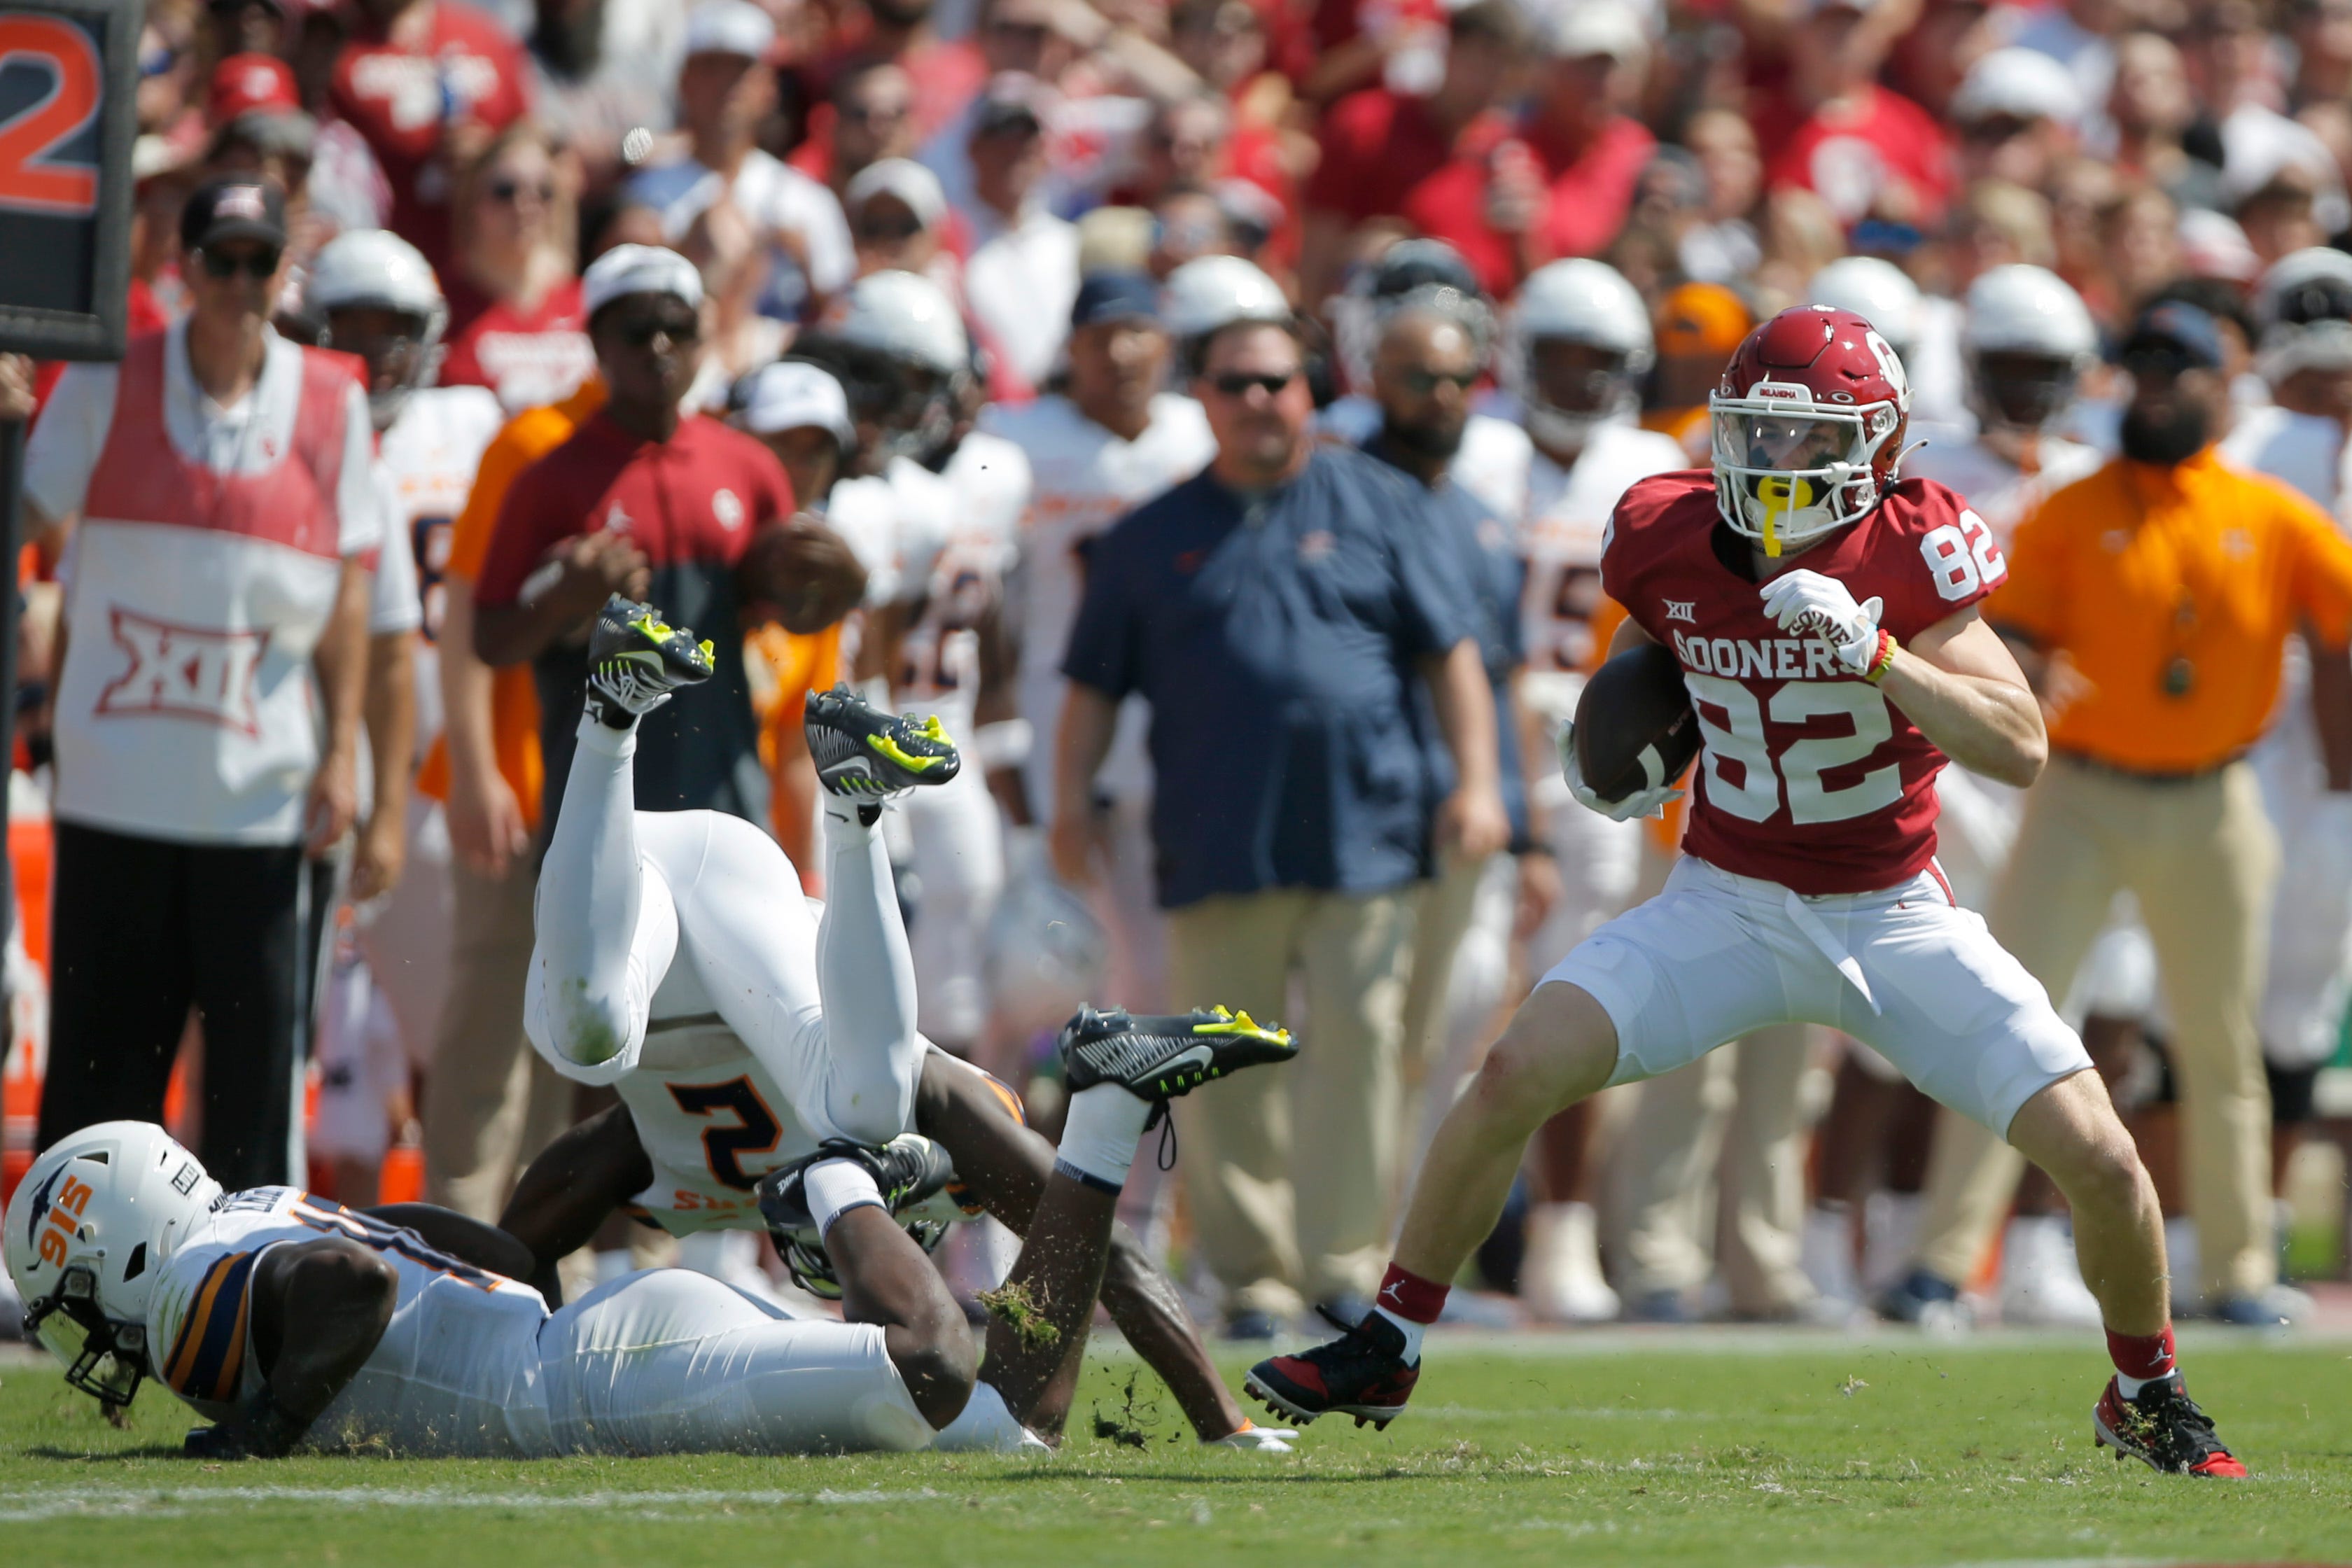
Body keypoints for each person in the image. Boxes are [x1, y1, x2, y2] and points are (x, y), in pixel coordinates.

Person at [1252, 305, 2251, 1480]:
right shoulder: (1664, 529)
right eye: (1759, 432)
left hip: (1890, 914)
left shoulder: (1913, 545)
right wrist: (1618, 754)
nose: (1777, 459)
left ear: (1879, 449)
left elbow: (2020, 745)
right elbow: (1645, 661)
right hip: (1723, 898)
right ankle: (1390, 1342)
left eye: (1810, 436)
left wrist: (1880, 656)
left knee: (2103, 1159)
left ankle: (2146, 1392)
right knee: (1512, 1073)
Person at [493, 642, 1280, 1450]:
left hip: (611, 889)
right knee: (858, 1106)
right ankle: (839, 800)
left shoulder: (637, 1148)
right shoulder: (925, 1097)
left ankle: (616, 717)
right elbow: (1101, 1245)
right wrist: (1223, 1420)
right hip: (707, 886)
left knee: (589, 1033)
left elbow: (511, 1270)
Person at [6, 973, 1296, 1457]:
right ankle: (1109, 1113)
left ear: (116, 1248)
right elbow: (472, 1252)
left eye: (74, 1302)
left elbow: (355, 1283)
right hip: (596, 1353)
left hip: (600, 1383)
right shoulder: (256, 1211)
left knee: (942, 1372)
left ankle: (827, 1182)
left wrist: (264, 1430)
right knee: (1015, 1423)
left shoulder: (194, 1290)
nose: (88, 1340)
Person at [1054, 295, 1510, 1336]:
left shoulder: (1383, 504)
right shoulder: (1147, 535)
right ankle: (1251, 1277)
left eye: (1279, 380)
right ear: (1203, 399)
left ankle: (1342, 1267)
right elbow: (1090, 691)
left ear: (1311, 392)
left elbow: (1453, 655)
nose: (1260, 399)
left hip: (1369, 828)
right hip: (1216, 834)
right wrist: (1068, 800)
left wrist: (1478, 783)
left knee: (1361, 1049)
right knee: (1226, 1062)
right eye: (1236, 382)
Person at [1891, 299, 2352, 1331]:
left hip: (2214, 796)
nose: (2153, 390)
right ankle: (1945, 1263)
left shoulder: (2270, 513)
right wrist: (2031, 663)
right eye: (2140, 371)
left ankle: (2239, 1270)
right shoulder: (2069, 507)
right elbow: (2002, 630)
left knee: (2220, 1043)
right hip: (2081, 793)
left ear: (2222, 388)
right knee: (2003, 1016)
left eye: (2175, 372)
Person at [26, 180, 382, 1191]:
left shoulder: (333, 401)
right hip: (113, 796)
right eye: (220, 259)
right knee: (97, 1081)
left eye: (258, 261)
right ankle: (67, 1259)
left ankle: (241, 1267)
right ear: (183, 268)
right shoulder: (106, 381)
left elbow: (351, 595)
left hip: (257, 810)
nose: (238, 282)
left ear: (282, 273)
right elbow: (24, 516)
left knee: (252, 1096)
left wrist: (344, 751)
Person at [1498, 258, 1686, 1323]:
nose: (1576, 378)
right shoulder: (1480, 451)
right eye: (1558, 354)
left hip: (1602, 755)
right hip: (1487, 748)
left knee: (1584, 993)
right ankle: (1424, 1231)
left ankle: (1562, 1234)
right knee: (1463, 1001)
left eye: (1596, 359)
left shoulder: (1647, 463)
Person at [305, 229, 508, 1201]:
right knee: (302, 1039)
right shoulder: (295, 413)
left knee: (447, 1040)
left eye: (394, 328)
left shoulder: (471, 424)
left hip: (439, 777)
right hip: (319, 758)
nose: (377, 351)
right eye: (352, 326)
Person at [470, 244, 795, 831]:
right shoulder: (549, 479)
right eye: (638, 330)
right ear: (597, 343)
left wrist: (819, 586)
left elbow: (792, 616)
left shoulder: (749, 467)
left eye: (679, 328)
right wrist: (563, 599)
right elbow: (490, 640)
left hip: (731, 803)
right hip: (596, 810)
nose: (660, 346)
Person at [979, 269, 1218, 1020]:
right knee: (1036, 956)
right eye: (1099, 337)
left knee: (1151, 959)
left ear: (1166, 344)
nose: (1118, 354)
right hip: (1051, 706)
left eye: (1135, 333)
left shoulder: (1200, 432)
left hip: (1168, 715)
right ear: (1070, 348)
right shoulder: (1015, 441)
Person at [1357, 302, 1535, 1212]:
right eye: (1421, 378)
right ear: (1375, 379)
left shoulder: (1483, 520)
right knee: (1362, 1032)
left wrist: (1530, 830)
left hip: (1466, 817)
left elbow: (1505, 681)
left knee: (1450, 1029)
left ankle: (1405, 1238)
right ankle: (1347, 1237)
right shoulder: (1342, 497)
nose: (1444, 396)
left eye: (1460, 379)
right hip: (1372, 811)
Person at [626, 2, 855, 330]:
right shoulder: (643, 195)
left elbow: (841, 316)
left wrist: (803, 260)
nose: (725, 85)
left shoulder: (806, 200)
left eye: (741, 70)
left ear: (769, 87)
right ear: (684, 81)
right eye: (711, 68)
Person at [327, 0, 534, 274]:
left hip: (481, 271)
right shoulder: (330, 33)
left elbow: (531, 143)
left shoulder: (485, 36)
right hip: (374, 265)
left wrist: (489, 157)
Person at [436, 124, 596, 415]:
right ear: (473, 201)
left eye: (544, 191)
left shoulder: (587, 301)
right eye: (505, 191)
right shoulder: (439, 303)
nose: (526, 204)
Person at [958, 74, 1079, 396]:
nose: (1014, 152)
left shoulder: (1070, 243)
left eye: (1026, 140)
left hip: (1064, 409)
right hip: (991, 412)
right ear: (973, 147)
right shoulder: (949, 238)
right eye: (1001, 138)